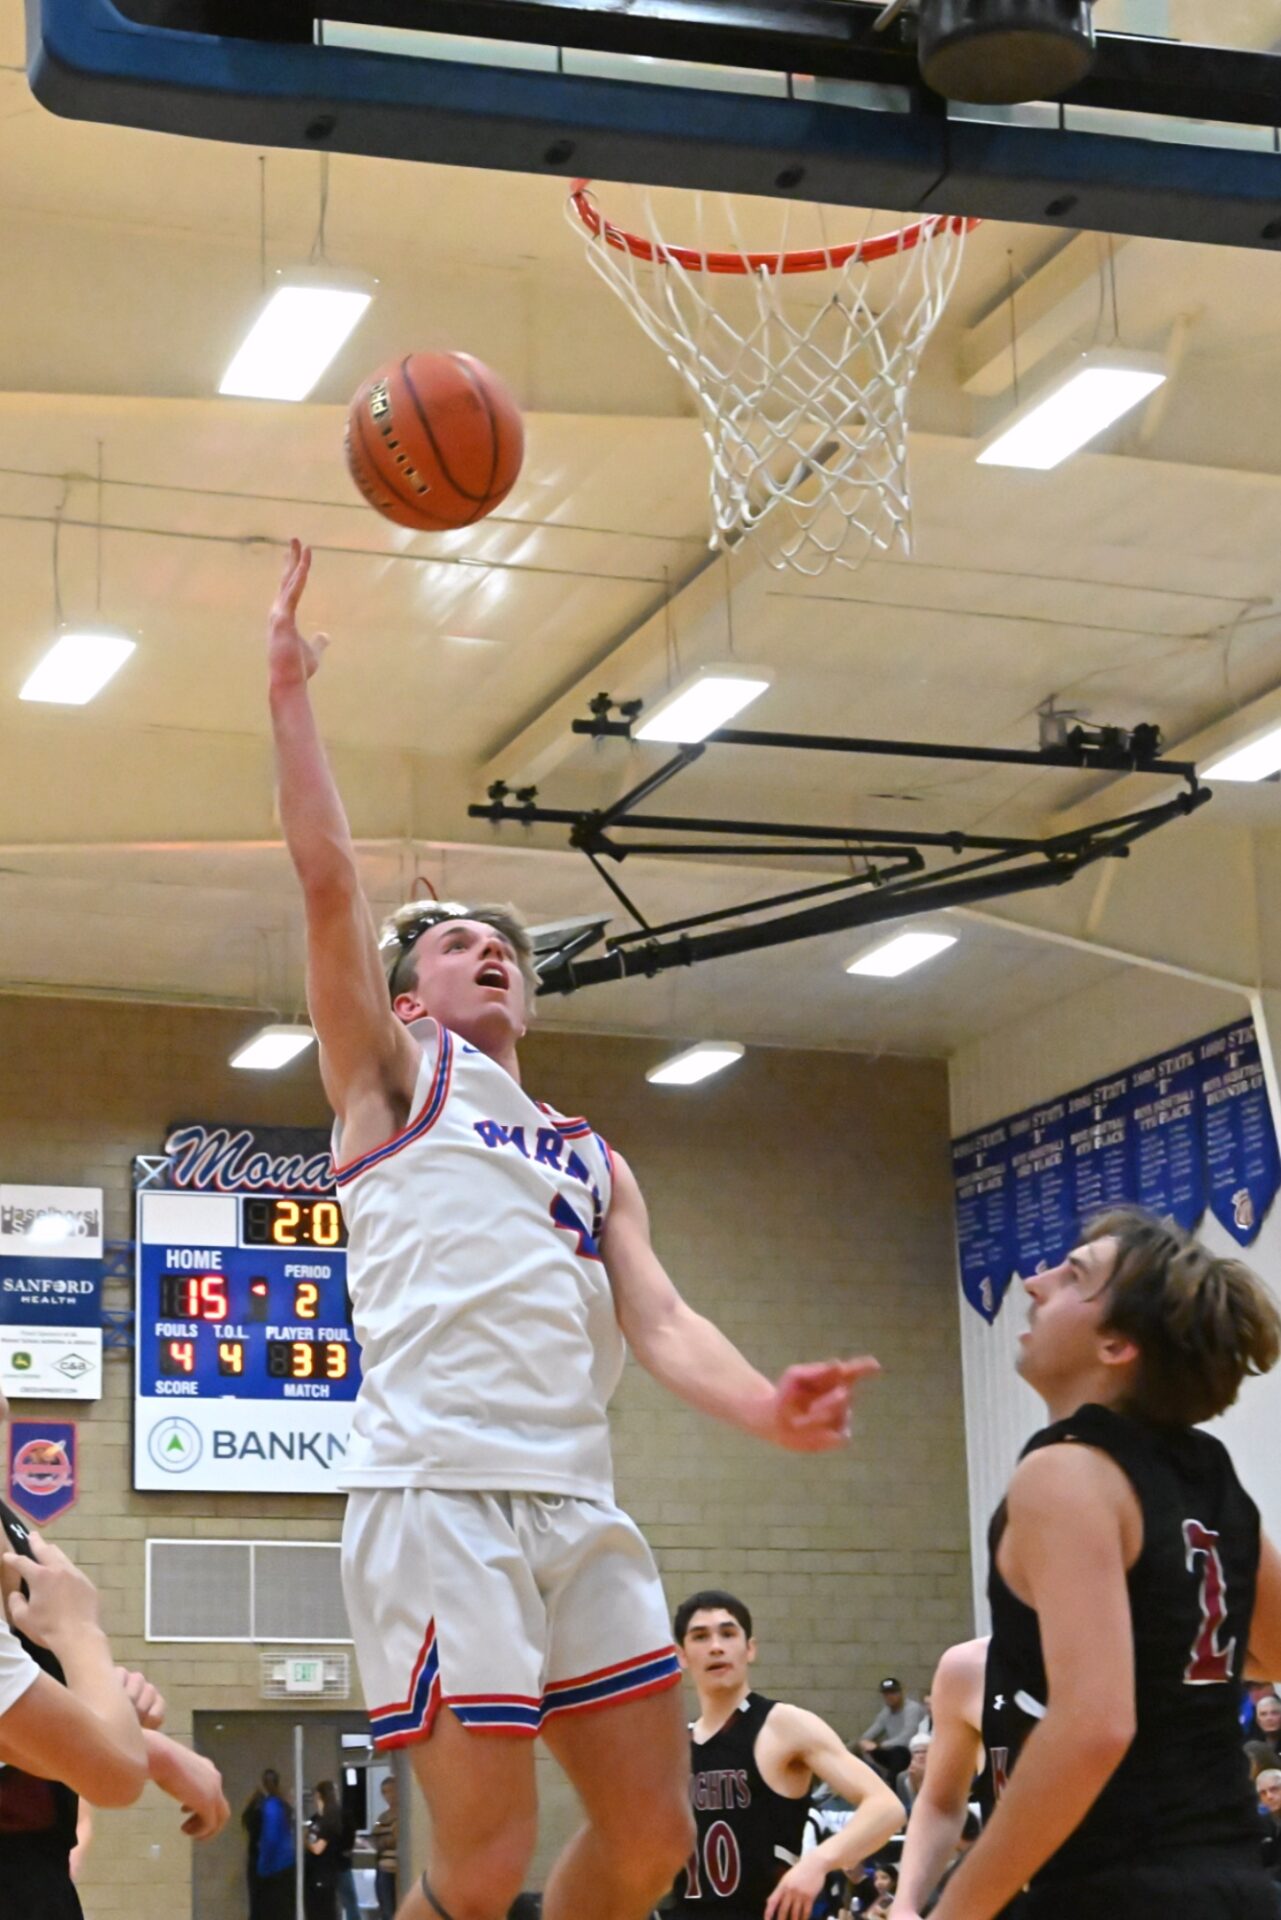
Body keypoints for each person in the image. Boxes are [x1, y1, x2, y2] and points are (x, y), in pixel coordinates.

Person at [266, 537, 880, 1920]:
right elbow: (324, 885)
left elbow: (658, 1317)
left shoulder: (591, 1157)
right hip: (437, 1496)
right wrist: (289, 697)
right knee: (478, 1866)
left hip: (578, 1501)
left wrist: (760, 1405)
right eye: (455, 942)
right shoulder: (392, 1083)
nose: (491, 948)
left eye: (506, 946)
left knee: (652, 1838)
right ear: (409, 997)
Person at [921, 1206, 1281, 1920]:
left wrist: (955, 1912)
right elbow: (1269, 1649)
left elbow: (1093, 1726)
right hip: (1239, 1888)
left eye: (1071, 1275)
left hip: (1115, 1893)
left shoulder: (1064, 1472)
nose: (1032, 1282)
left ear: (1116, 1343)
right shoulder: (1210, 1473)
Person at [671, 1590, 902, 1920]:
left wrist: (818, 1862)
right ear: (681, 1655)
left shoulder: (784, 1724)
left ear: (750, 1648)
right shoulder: (676, 1746)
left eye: (728, 1633)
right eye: (700, 1636)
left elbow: (887, 1808)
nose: (716, 1646)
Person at [887, 1639, 986, 1920]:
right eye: (916, 1753)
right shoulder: (969, 1669)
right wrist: (904, 1906)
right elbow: (939, 1806)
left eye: (923, 1753)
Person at [245, 1768, 295, 1920]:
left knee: (259, 1908)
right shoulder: (284, 1806)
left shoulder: (258, 1807)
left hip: (262, 1863)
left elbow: (249, 1826)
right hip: (284, 1867)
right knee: (282, 1909)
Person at [859, 1679, 926, 1783]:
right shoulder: (886, 1712)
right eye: (886, 1694)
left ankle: (893, 1783)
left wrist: (879, 1745)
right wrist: (864, 1742)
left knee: (898, 1752)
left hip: (913, 1752)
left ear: (901, 1693)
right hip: (894, 1752)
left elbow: (907, 1737)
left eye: (893, 1693)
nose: (889, 1697)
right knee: (862, 1751)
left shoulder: (912, 1708)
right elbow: (871, 1732)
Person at [306, 1778, 346, 1920]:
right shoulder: (319, 1819)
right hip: (318, 1873)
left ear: (319, 1795)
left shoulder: (330, 1820)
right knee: (318, 1910)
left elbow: (318, 1848)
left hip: (323, 1873)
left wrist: (304, 1840)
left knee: (323, 1911)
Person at [371, 1775, 399, 1920]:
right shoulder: (382, 1817)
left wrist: (387, 1839)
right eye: (384, 1792)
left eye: (390, 1790)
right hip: (383, 1868)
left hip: (398, 1869)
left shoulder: (403, 1815)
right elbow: (375, 1839)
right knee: (386, 1910)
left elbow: (400, 1839)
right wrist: (388, 1839)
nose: (388, 1795)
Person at [893, 1734, 931, 1817]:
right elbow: (905, 1806)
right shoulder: (902, 1777)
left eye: (925, 1751)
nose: (921, 1755)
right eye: (917, 1752)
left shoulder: (942, 1773)